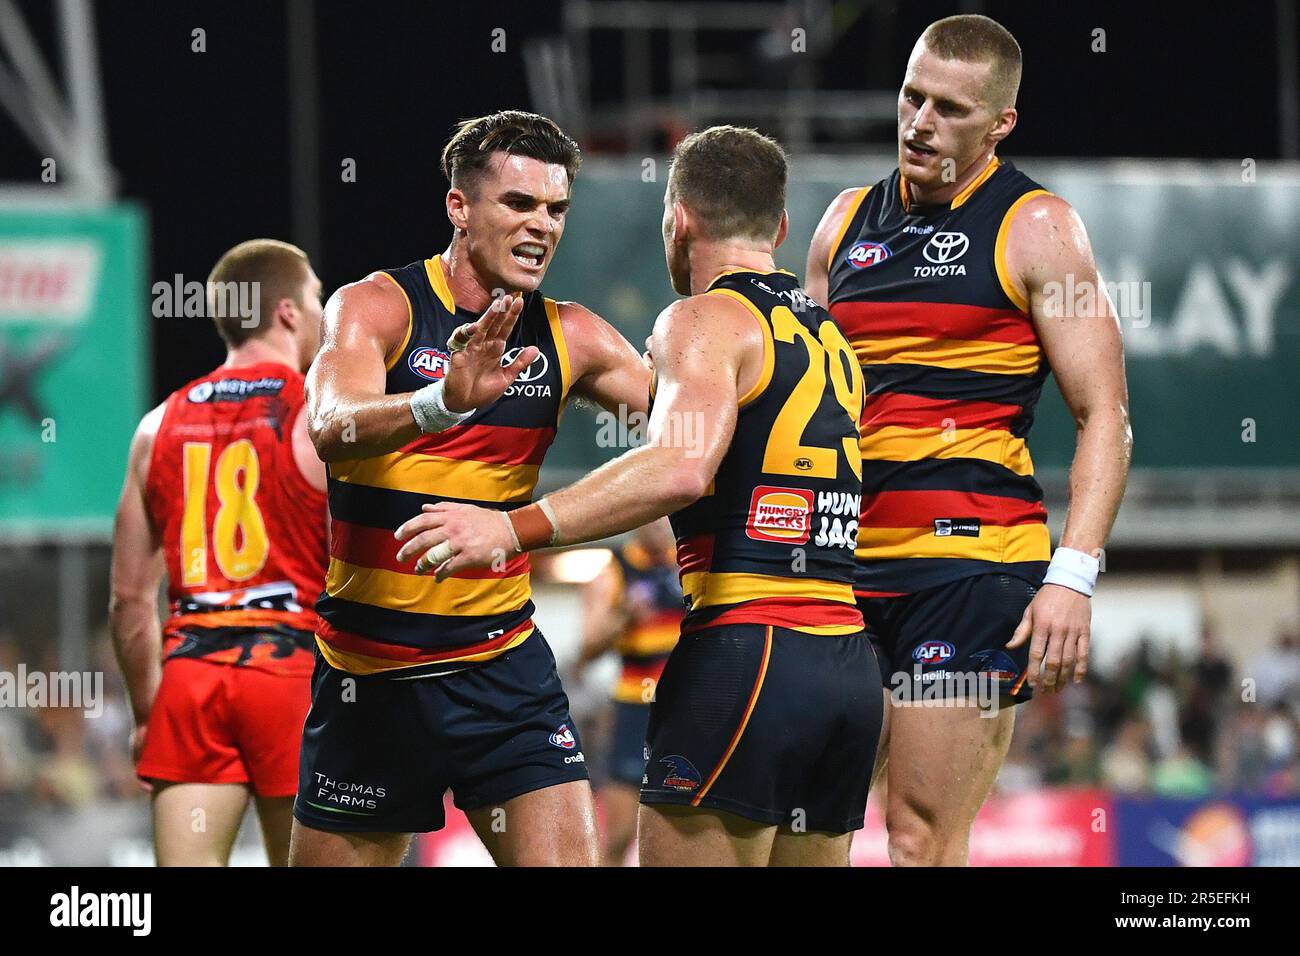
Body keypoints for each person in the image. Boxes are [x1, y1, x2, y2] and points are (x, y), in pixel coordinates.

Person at [396, 125, 883, 867]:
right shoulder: (831, 339)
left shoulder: (701, 318)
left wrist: (512, 527)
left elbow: (680, 466)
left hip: (746, 652)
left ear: (677, 219)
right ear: (780, 227)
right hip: (846, 668)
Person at [805, 14, 1133, 865]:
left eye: (949, 109)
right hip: (839, 573)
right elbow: (803, 407)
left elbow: (1106, 415)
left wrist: (1074, 573)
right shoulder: (842, 225)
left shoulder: (1039, 228)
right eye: (912, 96)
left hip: (970, 572)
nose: (919, 124)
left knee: (919, 838)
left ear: (1000, 124)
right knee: (808, 826)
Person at [289, 111, 650, 867]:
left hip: (502, 675)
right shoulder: (376, 306)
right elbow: (328, 427)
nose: (542, 227)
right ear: (460, 207)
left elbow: (689, 431)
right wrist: (439, 403)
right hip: (368, 685)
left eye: (556, 210)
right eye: (519, 205)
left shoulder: (572, 336)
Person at [110, 239, 327, 865]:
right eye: (314, 297)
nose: (321, 312)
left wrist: (150, 712)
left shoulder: (156, 426)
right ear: (287, 312)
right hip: (291, 673)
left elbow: (128, 601)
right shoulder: (317, 414)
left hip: (193, 678)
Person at [576, 518, 682, 865]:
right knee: (619, 835)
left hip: (684, 709)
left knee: (684, 832)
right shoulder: (614, 569)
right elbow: (588, 648)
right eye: (653, 517)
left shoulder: (686, 561)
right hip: (634, 710)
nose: (661, 525)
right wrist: (624, 613)